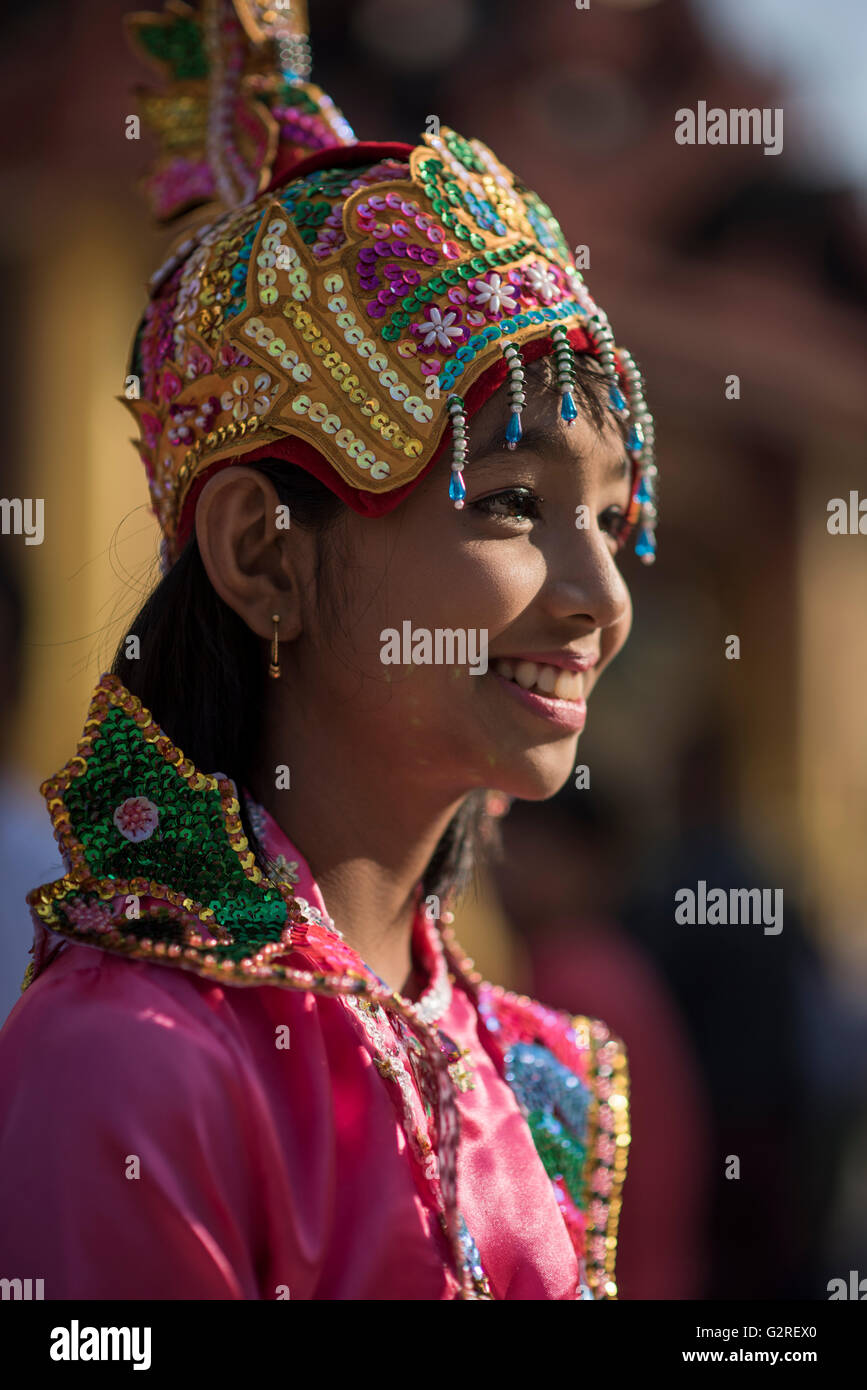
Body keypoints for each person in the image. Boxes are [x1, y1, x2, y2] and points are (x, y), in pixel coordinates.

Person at [0, 0, 658, 1300]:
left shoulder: (545, 1075)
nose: (601, 599)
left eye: (617, 521)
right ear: (262, 554)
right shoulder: (134, 1062)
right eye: (513, 503)